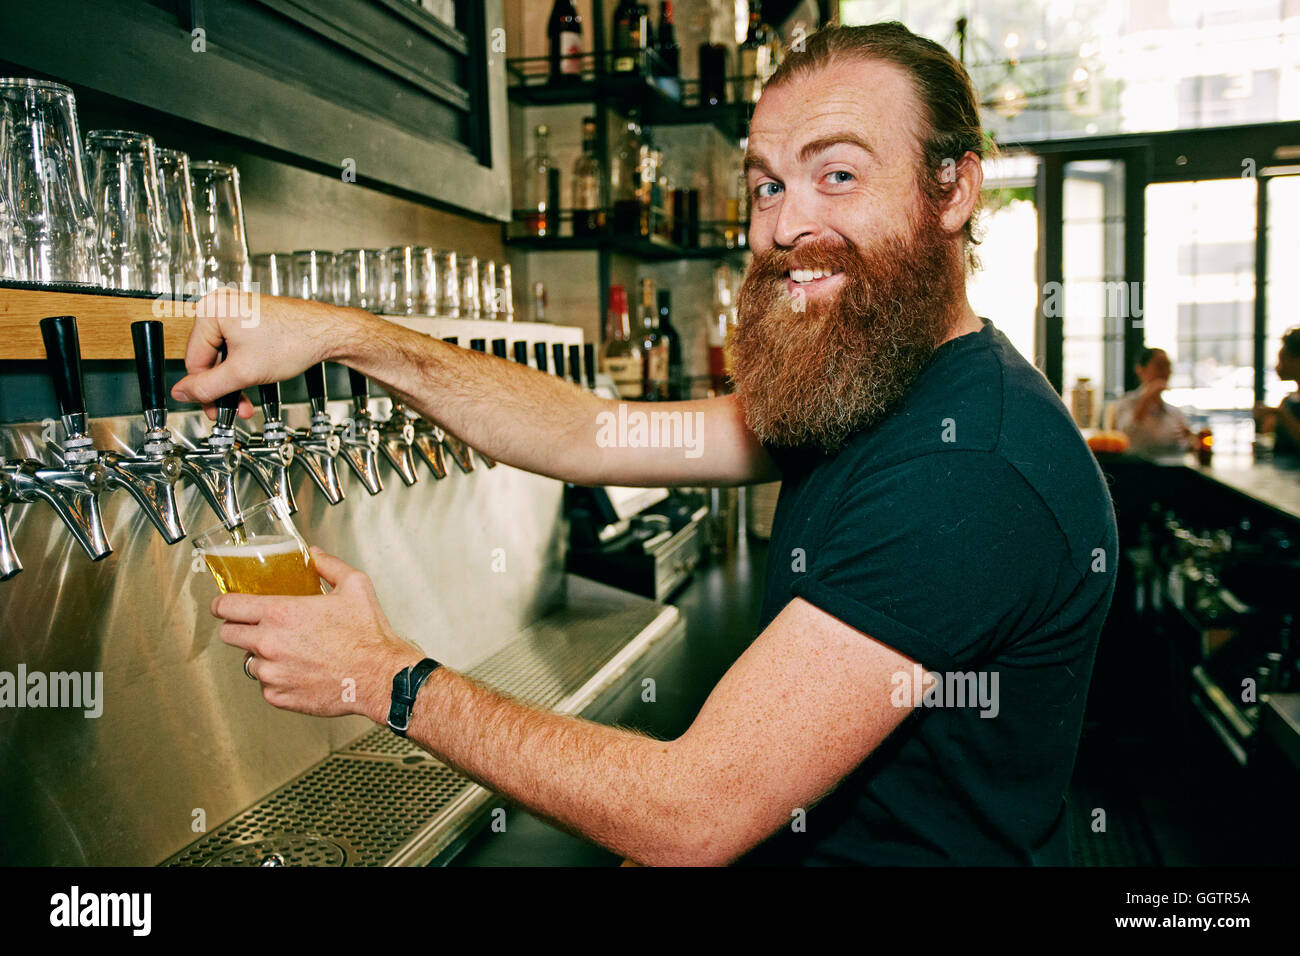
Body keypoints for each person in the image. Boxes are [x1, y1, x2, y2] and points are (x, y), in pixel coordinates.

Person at [171, 22, 1117, 866]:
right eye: (768, 185)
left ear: (952, 189)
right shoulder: (876, 385)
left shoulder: (969, 469)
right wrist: (348, 336)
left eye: (839, 174)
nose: (786, 227)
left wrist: (386, 676)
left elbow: (691, 812)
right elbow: (593, 434)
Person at [1109, 347, 1191, 456]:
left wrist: (1190, 440)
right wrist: (1146, 398)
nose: (1166, 372)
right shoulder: (1125, 404)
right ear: (1141, 370)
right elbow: (1126, 438)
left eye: (1168, 366)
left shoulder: (1174, 412)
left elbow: (1184, 446)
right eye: (1160, 366)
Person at [1253, 327, 1300, 461]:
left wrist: (1280, 415)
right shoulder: (1289, 401)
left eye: (1283, 360)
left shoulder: (1286, 407)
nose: (1278, 367)